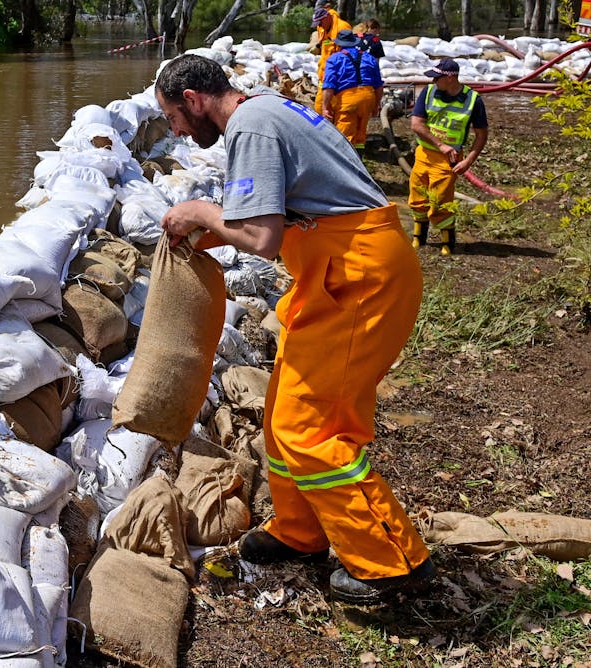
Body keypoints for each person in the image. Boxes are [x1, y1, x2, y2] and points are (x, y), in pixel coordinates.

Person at [154, 54, 435, 605]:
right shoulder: (266, 112)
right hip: (337, 275)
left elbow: (259, 238)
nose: (178, 132)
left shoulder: (251, 126)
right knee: (283, 418)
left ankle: (389, 561)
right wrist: (208, 231)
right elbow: (283, 219)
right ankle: (302, 533)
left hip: (359, 280)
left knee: (313, 429)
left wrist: (198, 211)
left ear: (192, 98)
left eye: (173, 119)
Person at [408, 57, 487, 256]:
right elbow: (416, 124)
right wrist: (440, 145)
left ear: (451, 78)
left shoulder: (472, 100)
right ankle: (419, 238)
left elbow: (481, 135)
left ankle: (447, 242)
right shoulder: (428, 93)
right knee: (417, 198)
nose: (434, 82)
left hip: (448, 161)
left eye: (438, 78)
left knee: (441, 202)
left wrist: (468, 160)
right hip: (424, 154)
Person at [321, 29, 384, 152]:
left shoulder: (334, 59)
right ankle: (360, 158)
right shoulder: (369, 57)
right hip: (368, 96)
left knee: (344, 137)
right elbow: (379, 86)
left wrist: (325, 106)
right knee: (361, 133)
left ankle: (345, 165)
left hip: (348, 99)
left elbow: (329, 86)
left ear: (338, 44)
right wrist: (376, 105)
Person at [310, 5, 354, 115]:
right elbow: (325, 43)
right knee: (321, 108)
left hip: (337, 75)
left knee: (333, 108)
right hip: (324, 73)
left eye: (320, 23)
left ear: (327, 17)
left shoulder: (343, 28)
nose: (319, 26)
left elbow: (347, 55)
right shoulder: (322, 27)